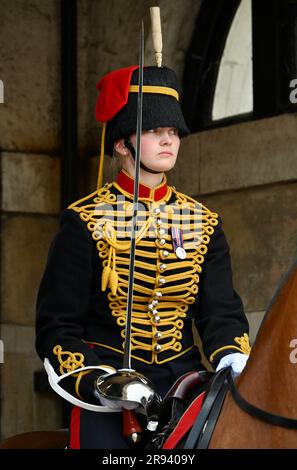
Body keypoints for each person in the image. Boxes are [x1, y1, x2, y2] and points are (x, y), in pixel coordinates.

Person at [35, 64, 251, 449]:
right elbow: (57, 327)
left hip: (187, 387)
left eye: (173, 132)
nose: (168, 141)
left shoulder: (203, 221)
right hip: (110, 394)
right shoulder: (84, 220)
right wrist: (99, 381)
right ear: (122, 144)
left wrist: (233, 357)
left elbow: (220, 312)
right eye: (153, 131)